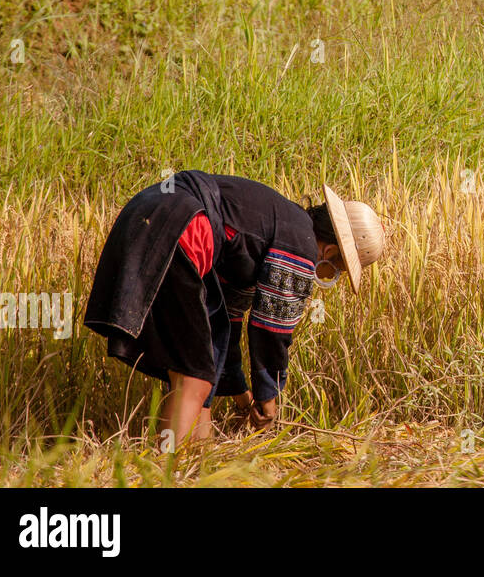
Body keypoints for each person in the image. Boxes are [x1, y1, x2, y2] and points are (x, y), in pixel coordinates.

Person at [83, 172, 383, 446]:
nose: (326, 275)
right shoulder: (301, 244)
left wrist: (239, 392)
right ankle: (166, 470)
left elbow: (222, 320)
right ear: (330, 251)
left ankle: (195, 464)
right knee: (193, 375)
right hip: (181, 229)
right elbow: (272, 330)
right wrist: (269, 396)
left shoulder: (278, 224)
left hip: (152, 213)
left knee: (198, 372)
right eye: (334, 270)